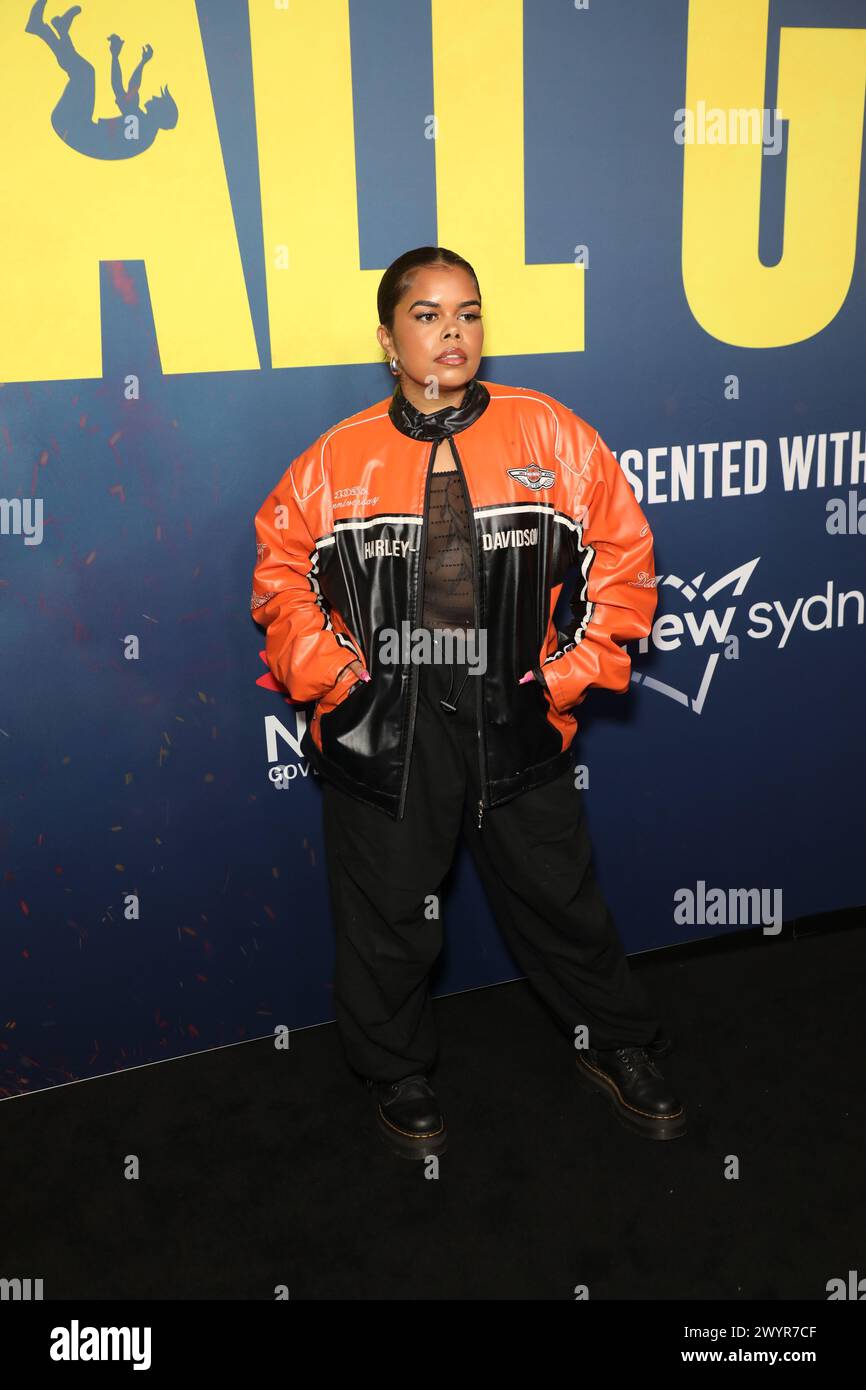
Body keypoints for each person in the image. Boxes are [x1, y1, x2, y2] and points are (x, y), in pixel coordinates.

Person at [251, 246, 686, 1159]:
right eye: (427, 314)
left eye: (469, 313)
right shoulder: (335, 459)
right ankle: (395, 1070)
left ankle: (618, 1044)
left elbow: (626, 558)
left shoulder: (552, 434)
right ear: (387, 336)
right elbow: (280, 574)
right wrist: (337, 680)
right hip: (387, 730)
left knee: (564, 902)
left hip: (516, 717)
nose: (452, 332)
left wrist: (567, 676)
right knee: (388, 923)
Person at [26, 2, 178, 160]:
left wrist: (138, 63)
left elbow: (129, 89)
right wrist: (119, 58)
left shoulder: (142, 128)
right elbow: (121, 88)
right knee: (85, 73)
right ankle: (55, 29)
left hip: (70, 126)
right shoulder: (142, 124)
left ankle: (44, 28)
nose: (153, 98)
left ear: (161, 114)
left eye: (158, 100)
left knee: (84, 74)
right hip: (77, 125)